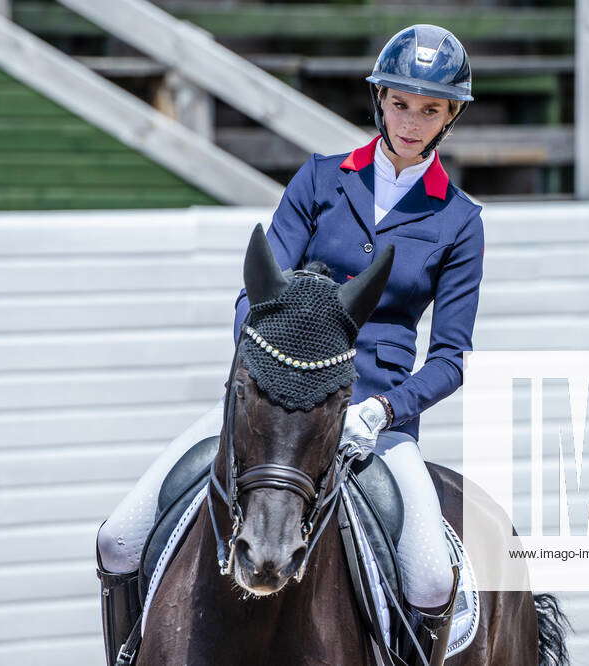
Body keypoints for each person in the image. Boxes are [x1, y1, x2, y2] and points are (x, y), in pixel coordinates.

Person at [96, 23, 483, 666]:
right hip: (270, 404)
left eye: (430, 110)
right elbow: (257, 294)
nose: (411, 122)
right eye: (401, 104)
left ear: (450, 117)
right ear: (379, 100)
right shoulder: (319, 180)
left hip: (371, 418)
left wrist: (385, 412)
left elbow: (453, 357)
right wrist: (268, 369)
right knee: (119, 538)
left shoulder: (458, 220)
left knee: (431, 577)